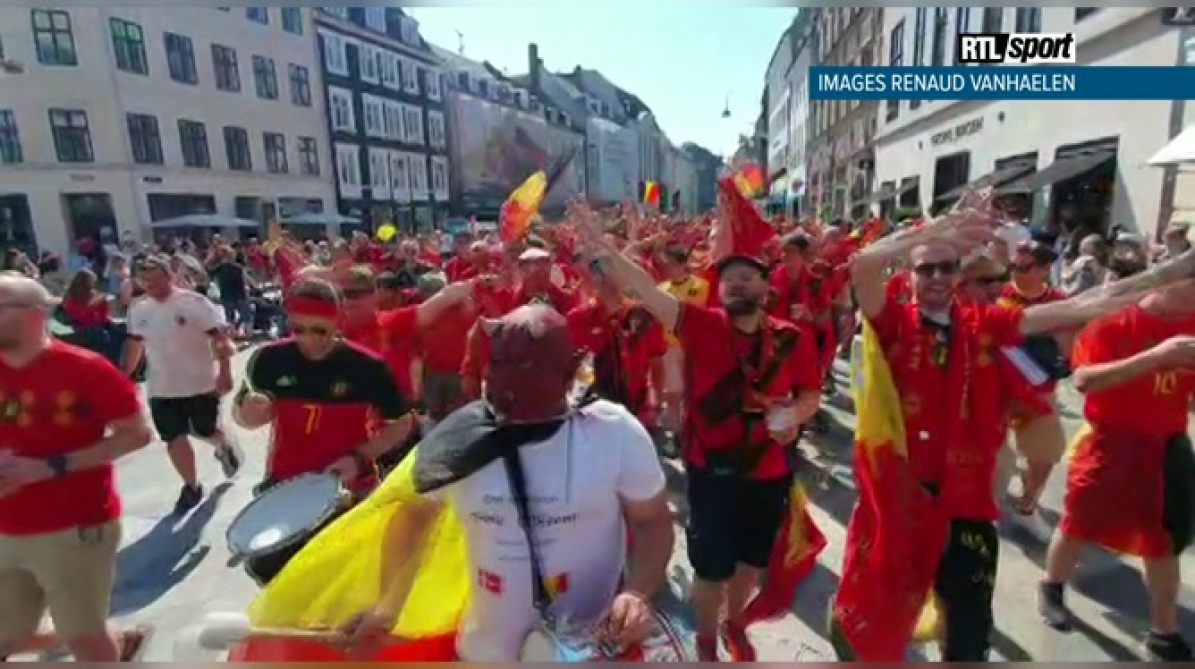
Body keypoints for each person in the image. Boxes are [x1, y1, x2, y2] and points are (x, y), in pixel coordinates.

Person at [833, 192, 1195, 661]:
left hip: (967, 506)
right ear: (910, 275)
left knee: (968, 636)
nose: (938, 278)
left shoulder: (986, 323)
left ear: (959, 275)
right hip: (902, 503)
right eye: (926, 269)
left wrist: (1171, 270)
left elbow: (1087, 305)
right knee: (875, 625)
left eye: (947, 268)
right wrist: (931, 233)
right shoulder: (894, 324)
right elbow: (863, 265)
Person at [338, 304, 674, 662]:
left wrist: (637, 594)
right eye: (501, 366)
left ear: (571, 371)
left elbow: (651, 520)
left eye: (528, 369)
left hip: (584, 651)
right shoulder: (460, 439)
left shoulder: (612, 431)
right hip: (481, 652)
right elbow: (412, 517)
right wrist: (387, 606)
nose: (512, 385)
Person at [569, 205, 822, 661]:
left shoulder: (792, 339)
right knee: (710, 567)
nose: (739, 282)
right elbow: (643, 288)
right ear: (718, 289)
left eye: (749, 276)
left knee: (751, 562)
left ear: (766, 288)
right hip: (712, 469)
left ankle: (735, 621)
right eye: (730, 278)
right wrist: (606, 249)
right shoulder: (701, 325)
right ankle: (707, 642)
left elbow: (811, 393)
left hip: (767, 473)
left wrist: (796, 415)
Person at [0, 274, 154, 661]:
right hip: (6, 527)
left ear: (36, 315)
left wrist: (53, 466)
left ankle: (102, 643)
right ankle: (114, 642)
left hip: (74, 526)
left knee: (83, 636)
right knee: (7, 635)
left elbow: (136, 434)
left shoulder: (86, 370)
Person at [1038, 282, 1195, 661]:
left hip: (1165, 447)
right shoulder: (1114, 322)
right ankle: (1051, 586)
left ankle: (1163, 630)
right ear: (1174, 280)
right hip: (1110, 444)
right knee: (1079, 525)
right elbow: (1084, 380)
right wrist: (1156, 357)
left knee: (1164, 540)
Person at [233, 276, 416, 585]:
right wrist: (248, 414)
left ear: (338, 321)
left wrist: (359, 458)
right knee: (275, 575)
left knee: (347, 581)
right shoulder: (268, 360)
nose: (309, 340)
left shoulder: (367, 367)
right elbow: (243, 418)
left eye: (320, 330)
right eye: (298, 329)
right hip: (285, 485)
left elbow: (401, 424)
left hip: (349, 486)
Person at [122, 256, 242, 514]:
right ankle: (191, 485)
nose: (150, 284)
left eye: (155, 278)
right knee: (174, 437)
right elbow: (135, 345)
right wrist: (124, 377)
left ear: (169, 276)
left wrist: (225, 372)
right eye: (144, 280)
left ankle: (223, 445)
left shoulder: (194, 303)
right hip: (162, 387)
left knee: (206, 430)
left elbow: (221, 340)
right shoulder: (138, 309)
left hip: (199, 382)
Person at [209, 245, 254, 339]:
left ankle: (233, 335)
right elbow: (245, 280)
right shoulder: (237, 267)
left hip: (226, 295)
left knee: (230, 318)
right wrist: (252, 287)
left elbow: (208, 274)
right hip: (240, 294)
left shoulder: (218, 269)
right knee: (247, 315)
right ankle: (248, 334)